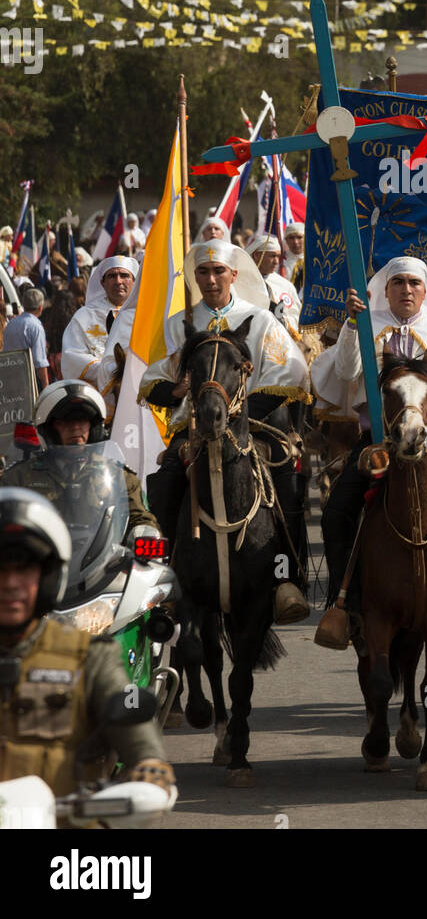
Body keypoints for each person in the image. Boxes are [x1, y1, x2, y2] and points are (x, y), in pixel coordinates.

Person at [311, 255, 427, 650]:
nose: (406, 290)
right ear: (385, 290)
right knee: (336, 510)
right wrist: (351, 323)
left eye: (414, 284)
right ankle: (341, 602)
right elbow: (346, 372)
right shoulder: (367, 327)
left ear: (424, 291)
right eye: (398, 283)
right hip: (377, 442)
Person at [140, 240, 311, 624]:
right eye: (204, 272)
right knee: (165, 483)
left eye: (219, 272)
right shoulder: (177, 326)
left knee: (288, 486)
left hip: (256, 426)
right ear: (195, 278)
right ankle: (162, 578)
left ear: (235, 275)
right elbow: (155, 379)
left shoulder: (262, 320)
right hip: (194, 430)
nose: (212, 279)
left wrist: (242, 416)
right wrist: (177, 391)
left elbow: (292, 374)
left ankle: (287, 579)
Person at [0, 487, 175, 801]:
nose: (10, 583)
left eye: (23, 570)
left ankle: (285, 576)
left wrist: (150, 766)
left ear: (48, 577)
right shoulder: (27, 470)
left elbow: (138, 741)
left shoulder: (88, 658)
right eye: (0, 570)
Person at [1, 381, 158, 540]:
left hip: (104, 562)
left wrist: (145, 532)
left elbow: (139, 517)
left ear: (94, 427)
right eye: (66, 422)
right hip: (41, 561)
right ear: (50, 429)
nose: (75, 427)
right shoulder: (19, 477)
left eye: (82, 421)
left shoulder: (118, 476)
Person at [60, 257, 138, 417]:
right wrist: (107, 370)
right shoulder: (85, 316)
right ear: (102, 283)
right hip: (99, 404)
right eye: (112, 276)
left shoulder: (146, 314)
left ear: (134, 280)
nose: (118, 281)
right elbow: (71, 355)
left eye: (124, 275)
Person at [246, 234, 303, 328]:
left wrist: (282, 320)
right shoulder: (239, 282)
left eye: (278, 256)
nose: (276, 261)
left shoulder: (285, 286)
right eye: (272, 256)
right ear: (256, 255)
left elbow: (297, 316)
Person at [3, 288, 50, 391]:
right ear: (40, 307)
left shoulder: (11, 324)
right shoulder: (36, 327)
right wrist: (46, 386)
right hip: (29, 380)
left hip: (9, 377)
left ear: (23, 305)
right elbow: (39, 361)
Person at [284, 221, 305, 295]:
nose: (295, 242)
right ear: (286, 240)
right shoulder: (280, 262)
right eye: (291, 238)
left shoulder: (314, 261)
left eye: (299, 237)